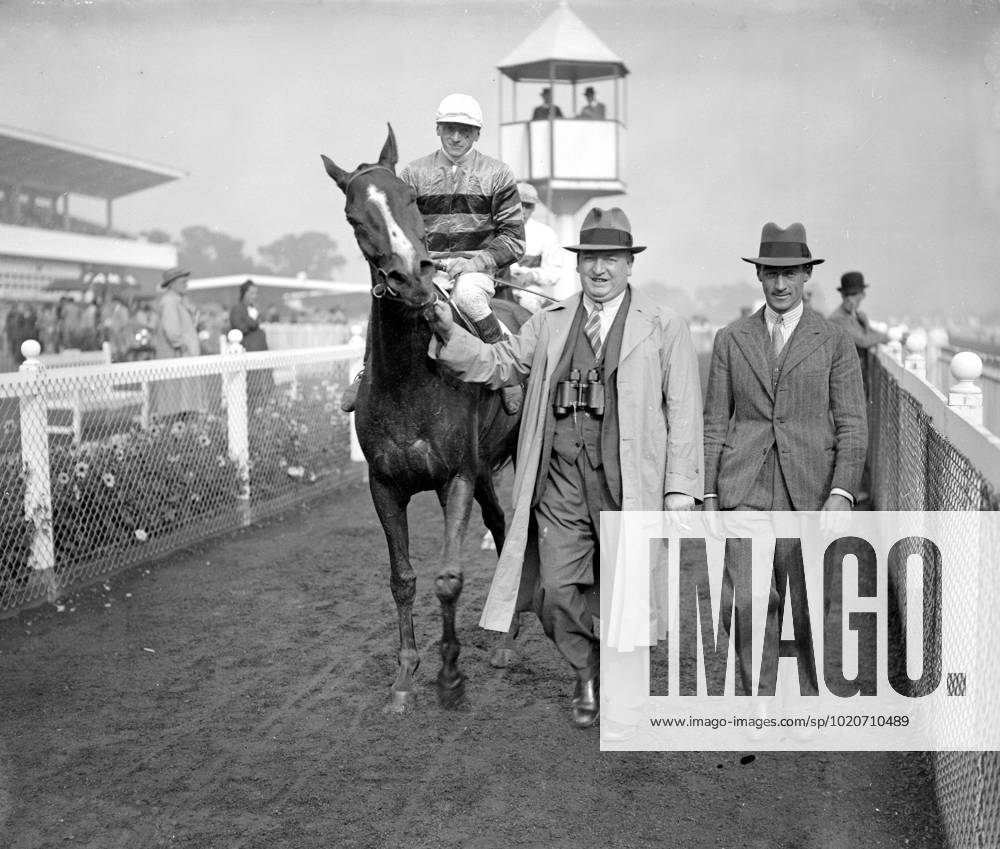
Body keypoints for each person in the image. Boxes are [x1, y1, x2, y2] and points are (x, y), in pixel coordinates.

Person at [427, 207, 704, 729]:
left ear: (629, 265)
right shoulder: (550, 322)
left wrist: (681, 488)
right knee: (553, 593)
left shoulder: (664, 326)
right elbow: (499, 362)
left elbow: (685, 411)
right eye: (591, 259)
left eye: (612, 260)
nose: (600, 270)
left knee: (626, 588)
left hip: (629, 480)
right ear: (578, 265)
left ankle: (611, 679)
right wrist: (449, 335)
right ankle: (586, 670)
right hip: (559, 481)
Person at [703, 222, 867, 695]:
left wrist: (841, 493)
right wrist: (711, 493)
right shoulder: (731, 339)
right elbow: (715, 421)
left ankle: (805, 694)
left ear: (805, 276)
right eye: (771, 273)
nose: (779, 284)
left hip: (811, 492)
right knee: (749, 600)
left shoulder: (834, 340)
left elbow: (854, 423)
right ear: (759, 276)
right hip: (745, 489)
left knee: (809, 602)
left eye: (790, 273)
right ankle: (760, 697)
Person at [340, 92, 525, 415]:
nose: (456, 137)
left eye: (465, 131)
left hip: (475, 274)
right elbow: (400, 228)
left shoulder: (498, 174)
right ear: (438, 129)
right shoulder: (413, 174)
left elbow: (514, 239)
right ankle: (367, 369)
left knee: (467, 296)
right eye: (449, 128)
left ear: (477, 134)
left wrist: (474, 262)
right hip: (428, 270)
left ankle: (506, 372)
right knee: (388, 296)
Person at [151, 266, 205, 419]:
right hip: (178, 359)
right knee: (178, 405)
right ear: (172, 283)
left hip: (184, 360)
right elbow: (173, 333)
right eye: (182, 280)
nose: (186, 283)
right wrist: (184, 347)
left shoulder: (178, 301)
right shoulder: (169, 302)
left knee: (185, 404)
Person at [506, 183, 563, 313]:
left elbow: (554, 272)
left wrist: (533, 275)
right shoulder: (495, 229)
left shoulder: (546, 233)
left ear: (534, 208)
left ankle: (530, 333)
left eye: (528, 205)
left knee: (529, 302)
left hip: (529, 289)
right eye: (519, 204)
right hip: (499, 285)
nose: (523, 210)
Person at [827, 271, 889, 389]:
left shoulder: (854, 315)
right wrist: (888, 336)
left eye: (855, 294)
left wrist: (864, 323)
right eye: (848, 294)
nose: (852, 299)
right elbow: (864, 340)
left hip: (853, 378)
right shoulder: (838, 319)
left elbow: (869, 334)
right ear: (843, 295)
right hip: (843, 381)